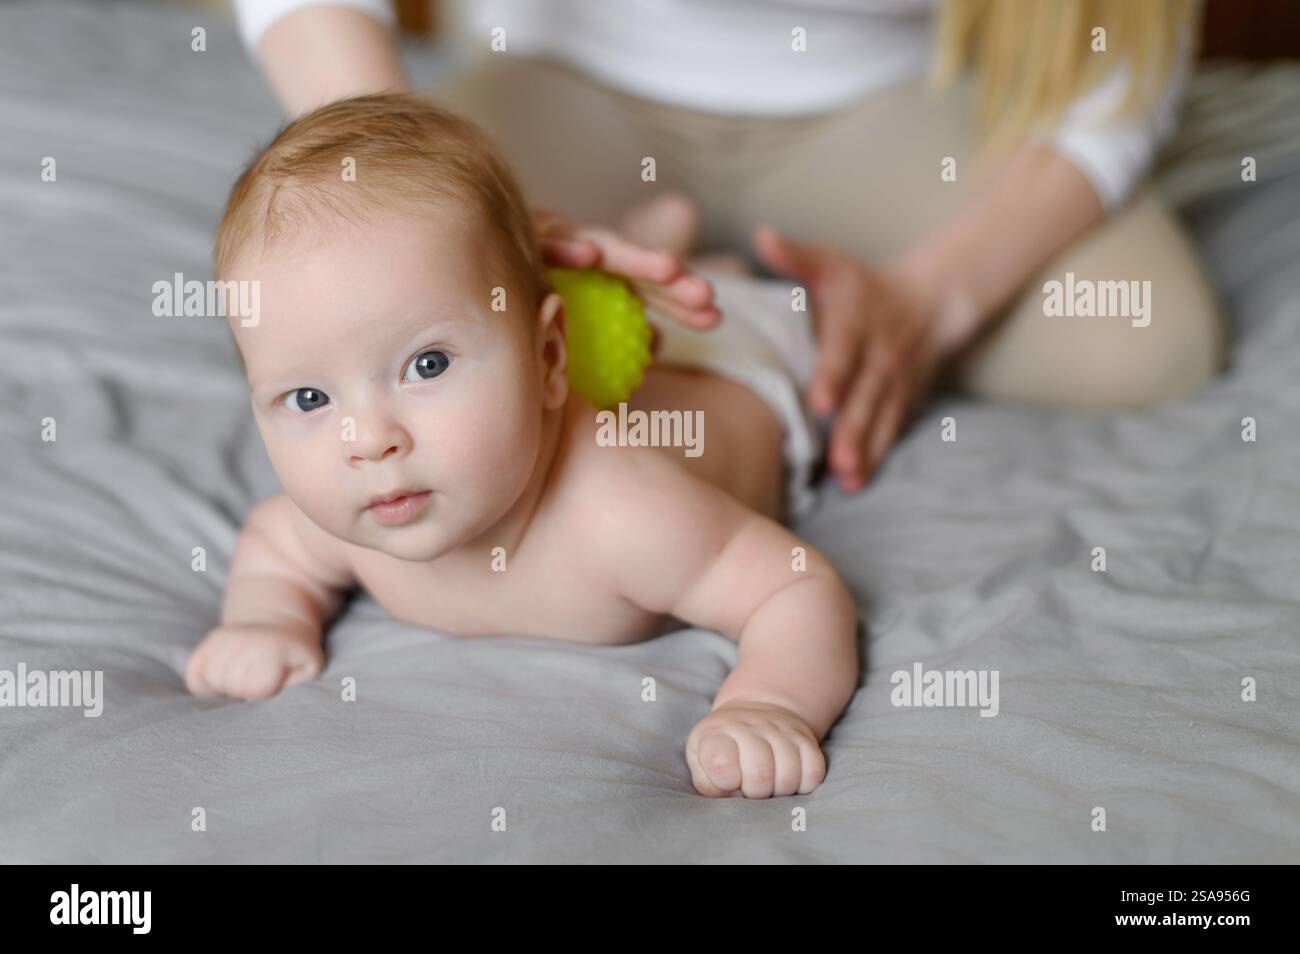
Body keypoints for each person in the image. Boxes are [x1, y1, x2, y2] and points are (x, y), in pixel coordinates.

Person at [232, 0, 1225, 494]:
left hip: (881, 99)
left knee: (1144, 336)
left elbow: (1121, 33)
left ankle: (708, 282)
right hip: (562, 75)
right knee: (374, 316)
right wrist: (413, 190)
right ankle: (699, 275)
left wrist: (938, 300)